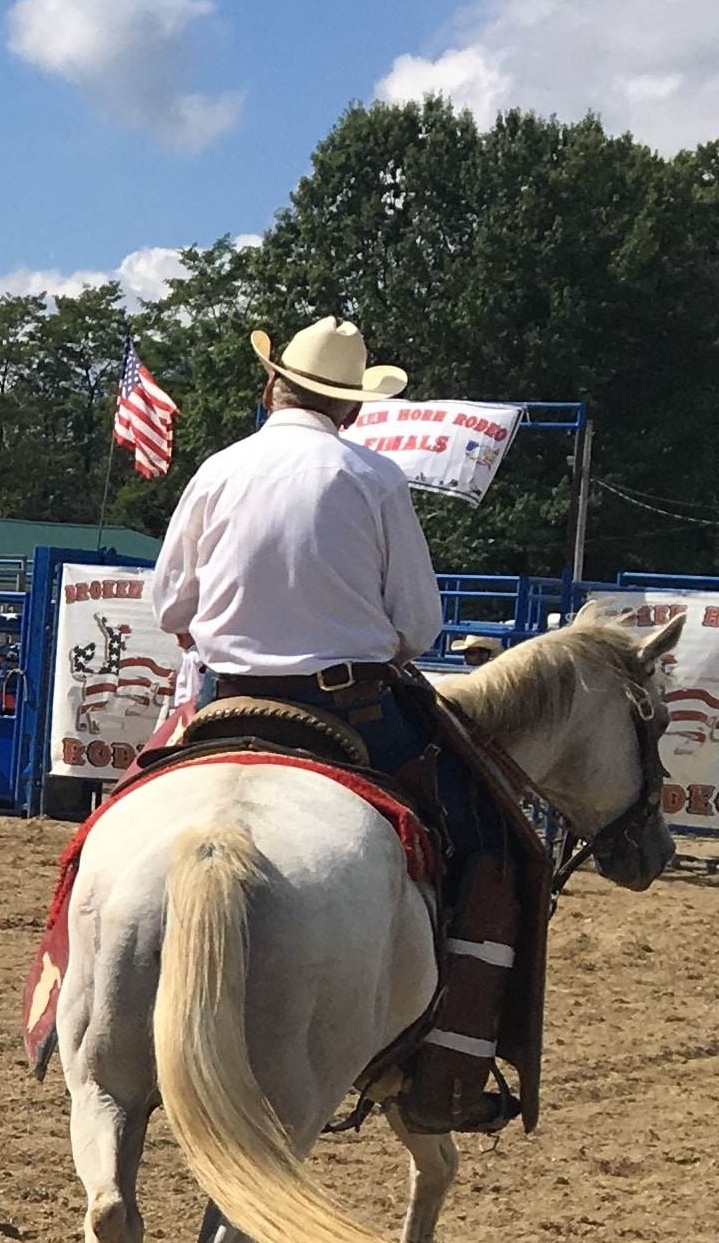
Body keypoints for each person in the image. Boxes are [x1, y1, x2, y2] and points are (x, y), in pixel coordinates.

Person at [151, 315, 509, 1133]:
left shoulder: (217, 469)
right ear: (352, 409)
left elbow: (170, 605)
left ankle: (60, 997)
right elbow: (418, 624)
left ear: (272, 385)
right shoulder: (375, 479)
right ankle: (444, 1063)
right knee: (482, 830)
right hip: (349, 710)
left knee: (124, 806)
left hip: (224, 703)